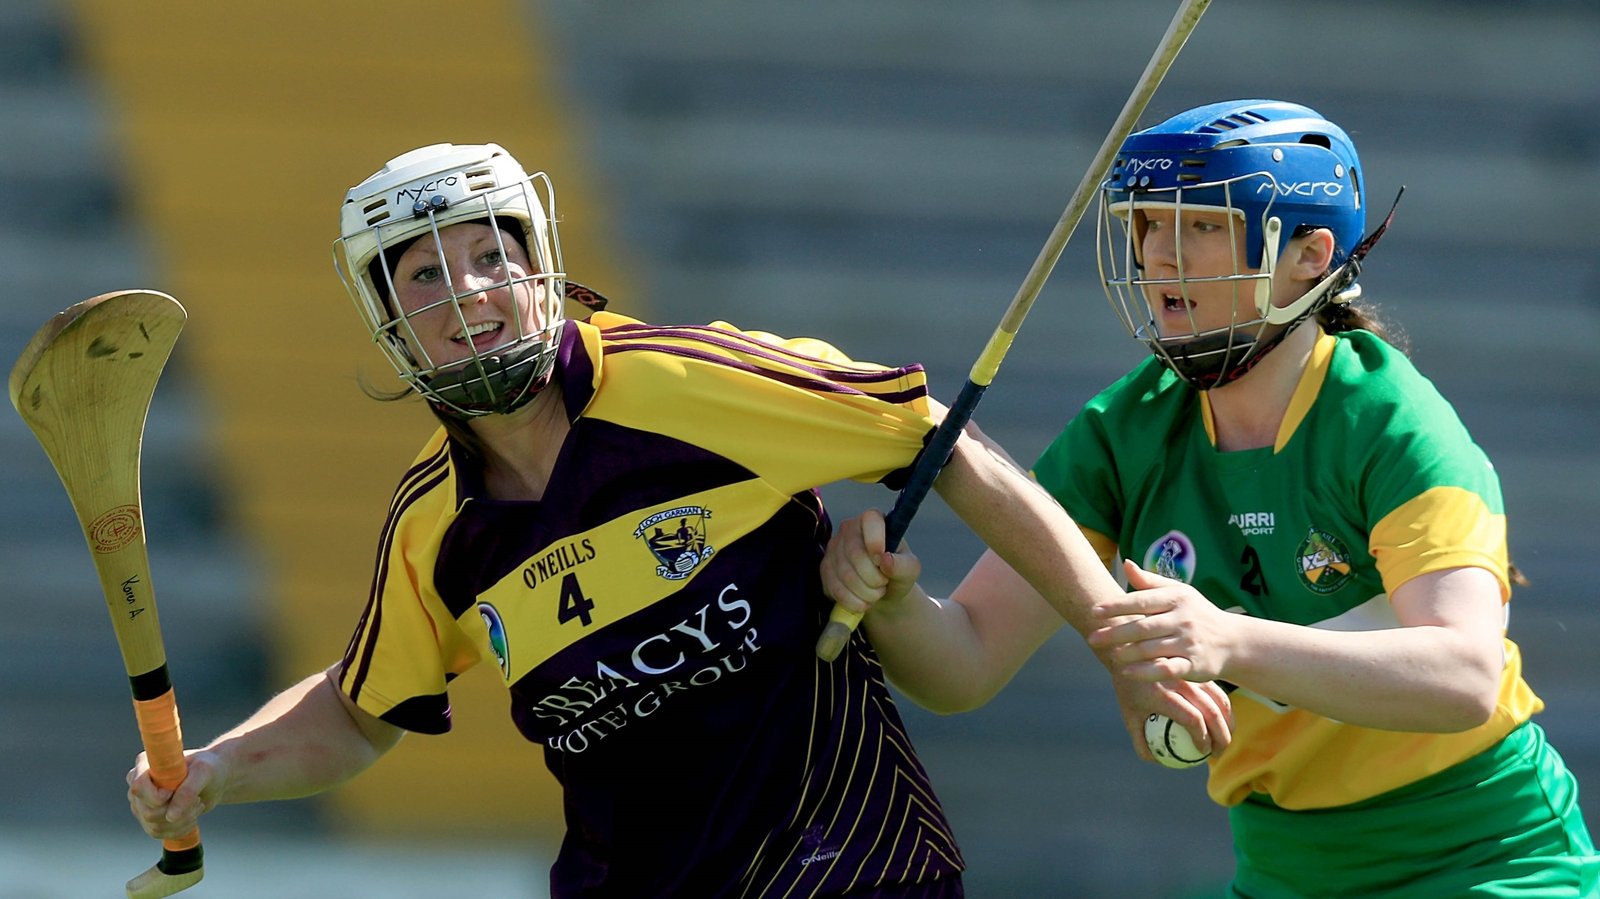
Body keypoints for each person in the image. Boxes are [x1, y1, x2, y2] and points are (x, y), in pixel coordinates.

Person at [123, 142, 1224, 898]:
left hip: (848, 860)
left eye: (488, 253)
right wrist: (220, 766)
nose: (465, 292)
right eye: (423, 273)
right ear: (386, 318)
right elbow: (362, 709)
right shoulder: (432, 522)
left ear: (542, 264)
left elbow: (947, 444)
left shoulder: (692, 382)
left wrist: (1115, 634)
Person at [823, 100, 1598, 896]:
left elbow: (1464, 675)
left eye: (1201, 225)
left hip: (1488, 857)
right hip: (1282, 867)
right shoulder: (1123, 434)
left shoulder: (1390, 423)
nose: (1160, 254)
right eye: (1150, 223)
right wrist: (893, 599)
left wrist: (1225, 639)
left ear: (1308, 253)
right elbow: (966, 663)